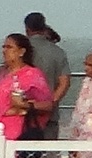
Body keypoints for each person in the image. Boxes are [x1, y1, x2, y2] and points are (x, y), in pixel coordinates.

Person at [0, 33, 56, 146]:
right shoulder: (3, 73)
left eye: (9, 47)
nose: (4, 51)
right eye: (4, 47)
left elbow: (48, 105)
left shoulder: (32, 75)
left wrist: (25, 105)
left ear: (21, 52)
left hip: (17, 134)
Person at [22, 13, 71, 142]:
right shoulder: (57, 52)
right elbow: (65, 82)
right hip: (50, 115)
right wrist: (51, 102)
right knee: (48, 153)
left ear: (27, 28)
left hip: (22, 112)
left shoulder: (20, 51)